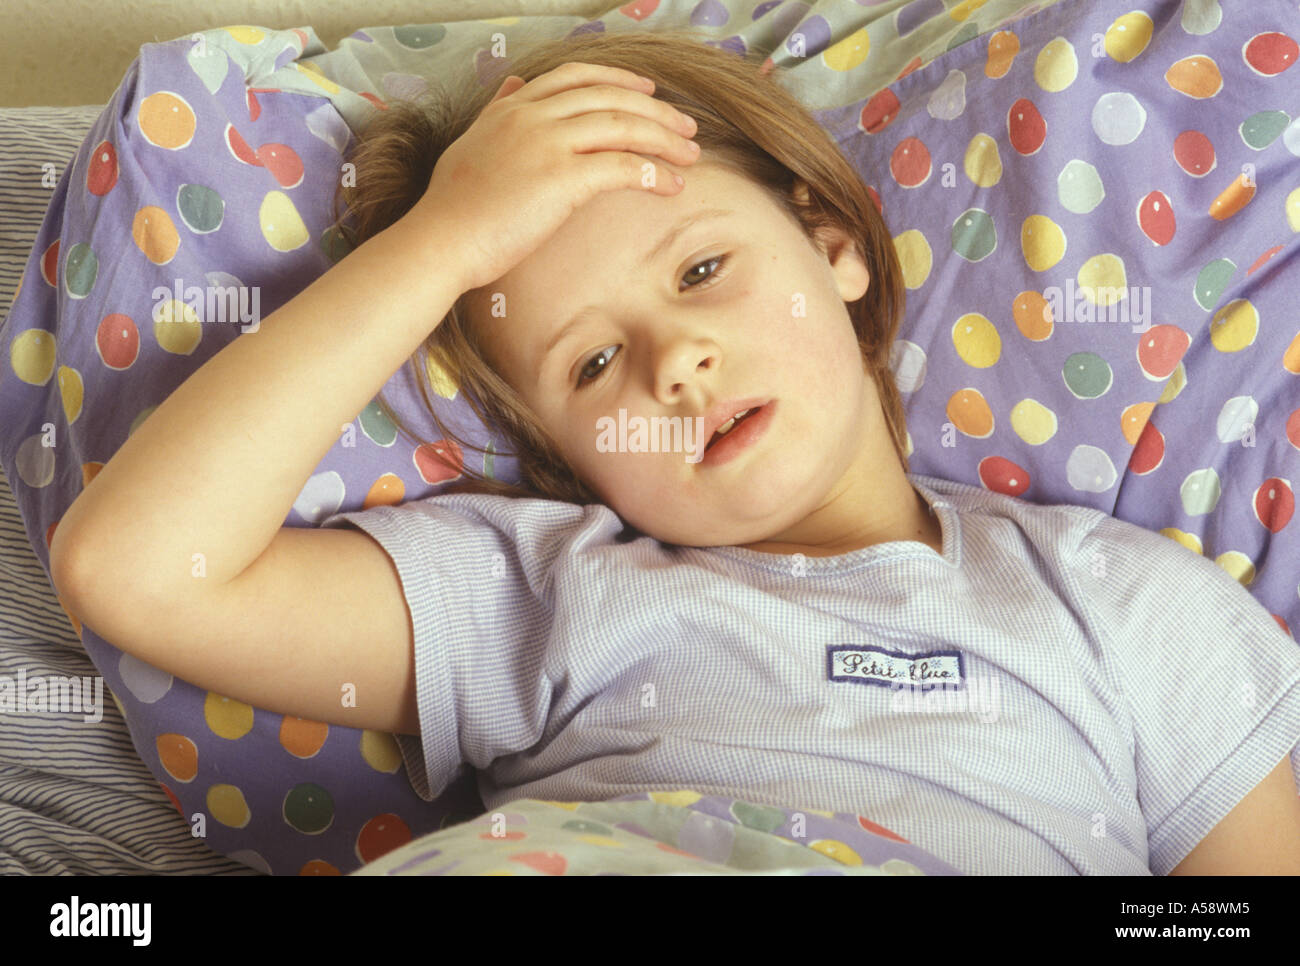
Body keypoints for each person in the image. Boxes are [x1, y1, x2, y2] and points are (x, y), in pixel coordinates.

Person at [48, 29, 1300, 875]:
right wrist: (442, 245)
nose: (677, 366)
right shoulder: (536, 590)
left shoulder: (1120, 604)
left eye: (703, 270)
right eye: (591, 367)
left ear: (832, 246)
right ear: (566, 455)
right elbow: (139, 569)